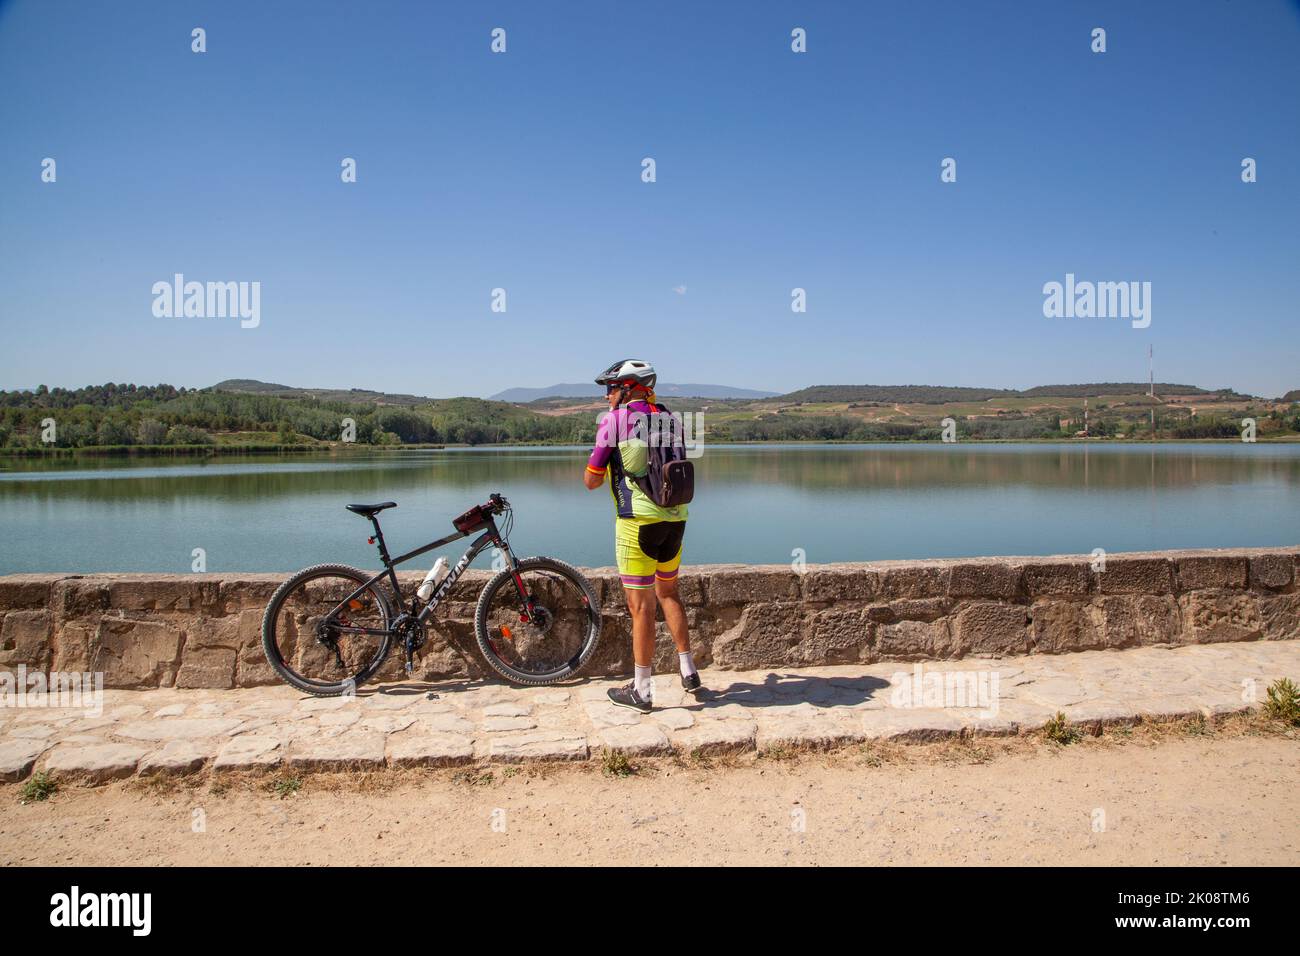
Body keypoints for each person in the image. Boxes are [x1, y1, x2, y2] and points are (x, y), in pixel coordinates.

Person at [584, 359, 700, 713]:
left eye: (610, 389)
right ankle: (688, 669)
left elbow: (591, 480)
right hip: (676, 518)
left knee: (641, 607)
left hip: (637, 522)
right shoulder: (674, 421)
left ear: (629, 387)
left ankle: (642, 690)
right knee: (669, 592)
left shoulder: (615, 421)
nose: (606, 397)